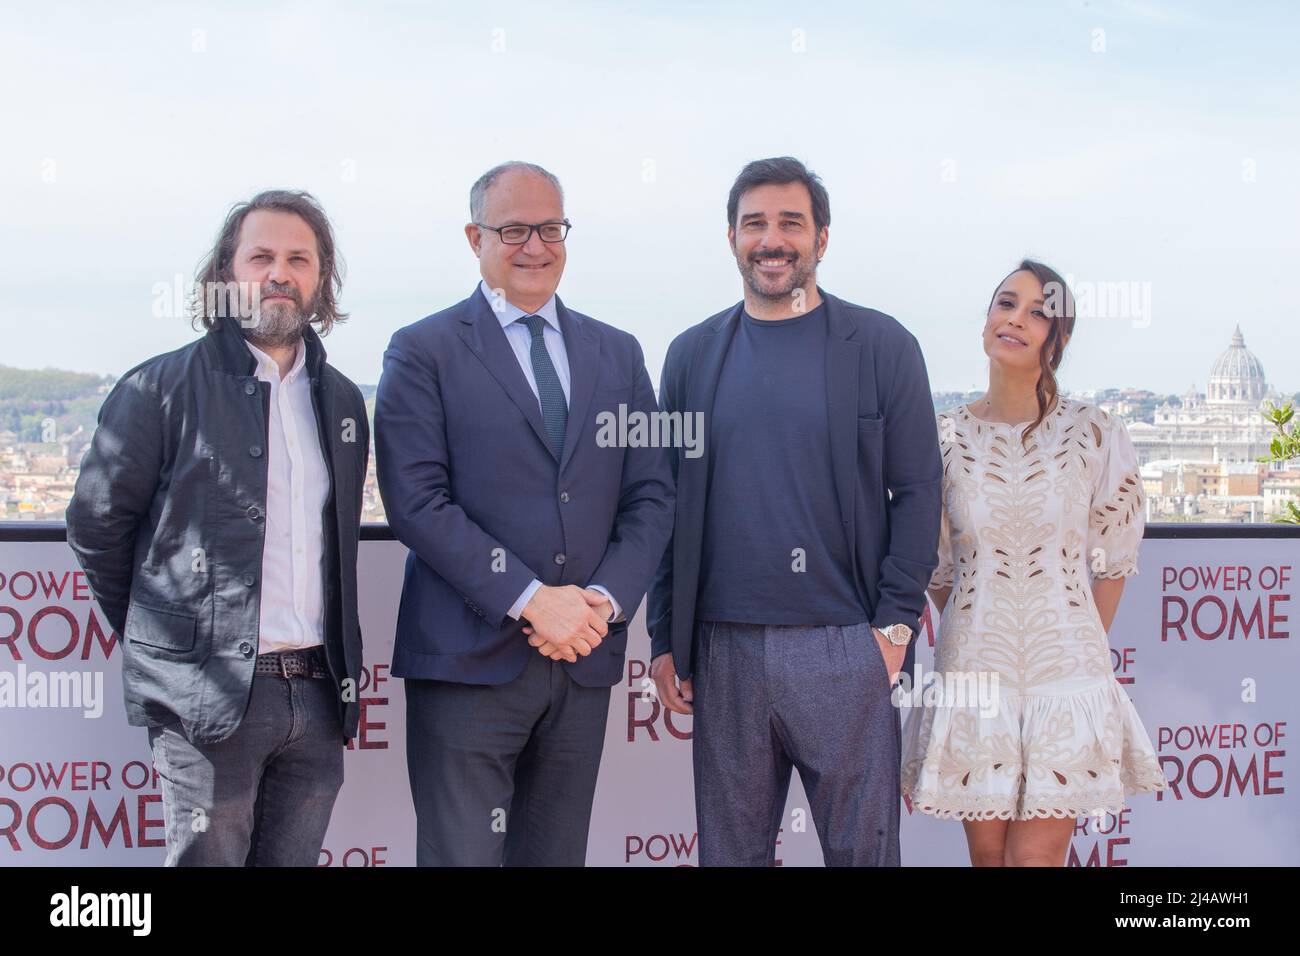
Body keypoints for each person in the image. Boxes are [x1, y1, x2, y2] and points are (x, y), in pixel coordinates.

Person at [376, 161, 675, 866]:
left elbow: (653, 493)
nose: (534, 246)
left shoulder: (619, 353)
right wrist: (533, 601)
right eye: (514, 230)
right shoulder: (422, 350)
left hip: (583, 661)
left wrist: (598, 603)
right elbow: (417, 503)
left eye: (551, 228)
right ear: (475, 236)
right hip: (467, 664)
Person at [646, 157, 943, 866]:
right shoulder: (689, 356)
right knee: (731, 857)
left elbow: (920, 491)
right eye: (755, 224)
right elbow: (665, 504)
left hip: (847, 646)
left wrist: (893, 629)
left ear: (822, 238)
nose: (771, 240)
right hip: (722, 651)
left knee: (861, 856)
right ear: (731, 238)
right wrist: (664, 636)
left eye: (790, 223)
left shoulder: (881, 346)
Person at [65, 189, 370, 866]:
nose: (279, 272)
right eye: (260, 256)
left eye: (300, 258)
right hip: (206, 699)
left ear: (321, 280)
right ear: (226, 274)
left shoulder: (343, 399)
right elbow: (96, 526)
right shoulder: (159, 389)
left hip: (319, 697)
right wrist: (171, 638)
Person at [899, 259, 1167, 866]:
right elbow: (939, 570)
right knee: (989, 862)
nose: (1015, 319)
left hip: (1067, 679)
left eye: (1038, 312)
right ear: (986, 320)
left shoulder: (1096, 434)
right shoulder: (941, 439)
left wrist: (1077, 646)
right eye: (1005, 303)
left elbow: (1114, 560)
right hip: (975, 676)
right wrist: (979, 622)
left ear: (1059, 339)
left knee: (1036, 861)